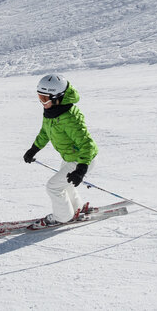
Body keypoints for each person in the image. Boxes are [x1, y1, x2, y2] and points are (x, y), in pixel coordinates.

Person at [22, 73, 99, 225]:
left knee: (53, 187)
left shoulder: (70, 118)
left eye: (45, 98)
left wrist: (81, 169)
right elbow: (45, 132)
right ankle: (77, 208)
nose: (42, 102)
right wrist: (34, 149)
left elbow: (87, 144)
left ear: (58, 97)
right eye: (40, 97)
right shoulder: (51, 112)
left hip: (82, 159)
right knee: (65, 185)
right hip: (71, 158)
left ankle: (62, 217)